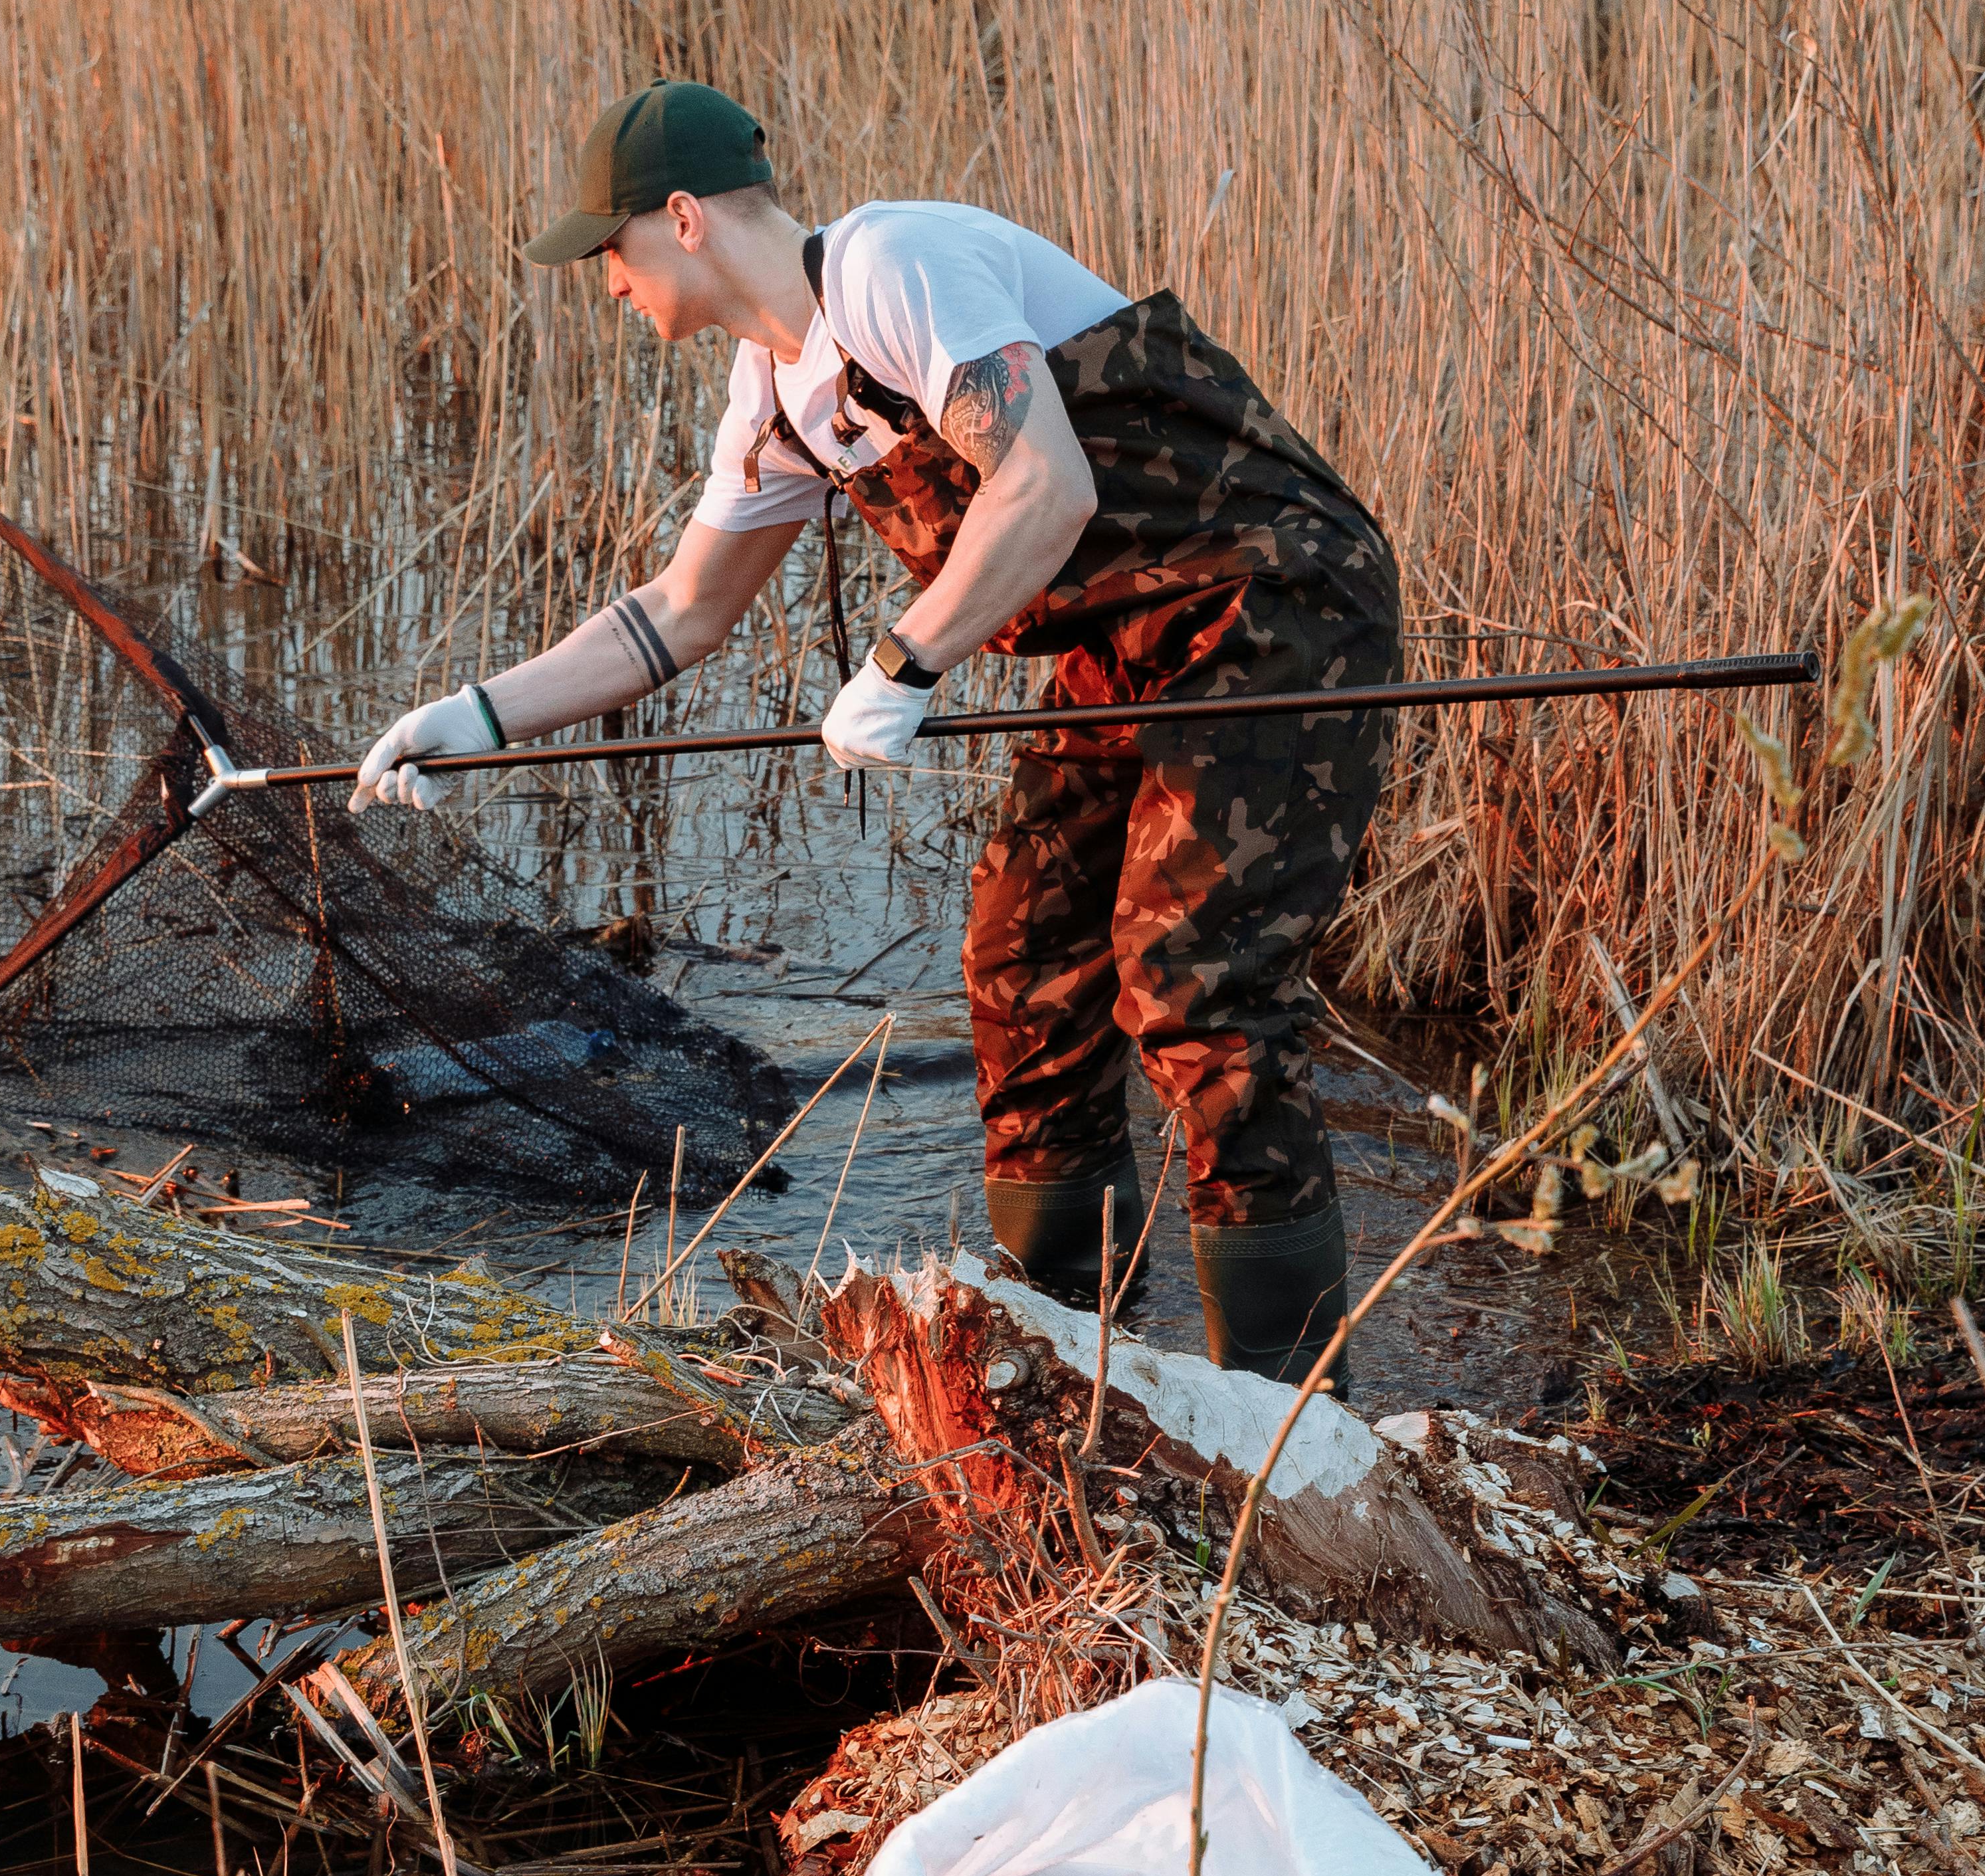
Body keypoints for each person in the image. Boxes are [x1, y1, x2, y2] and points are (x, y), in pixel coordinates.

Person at [354, 80, 1402, 1390]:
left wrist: (905, 659)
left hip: (1274, 600)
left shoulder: (889, 266)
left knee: (1196, 975)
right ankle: (1074, 1371)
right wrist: (475, 716)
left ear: (680, 219)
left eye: (608, 252)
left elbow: (1047, 482)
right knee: (1019, 948)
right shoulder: (779, 394)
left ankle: (1284, 1420)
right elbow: (677, 615)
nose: (604, 283)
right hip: (1125, 649)